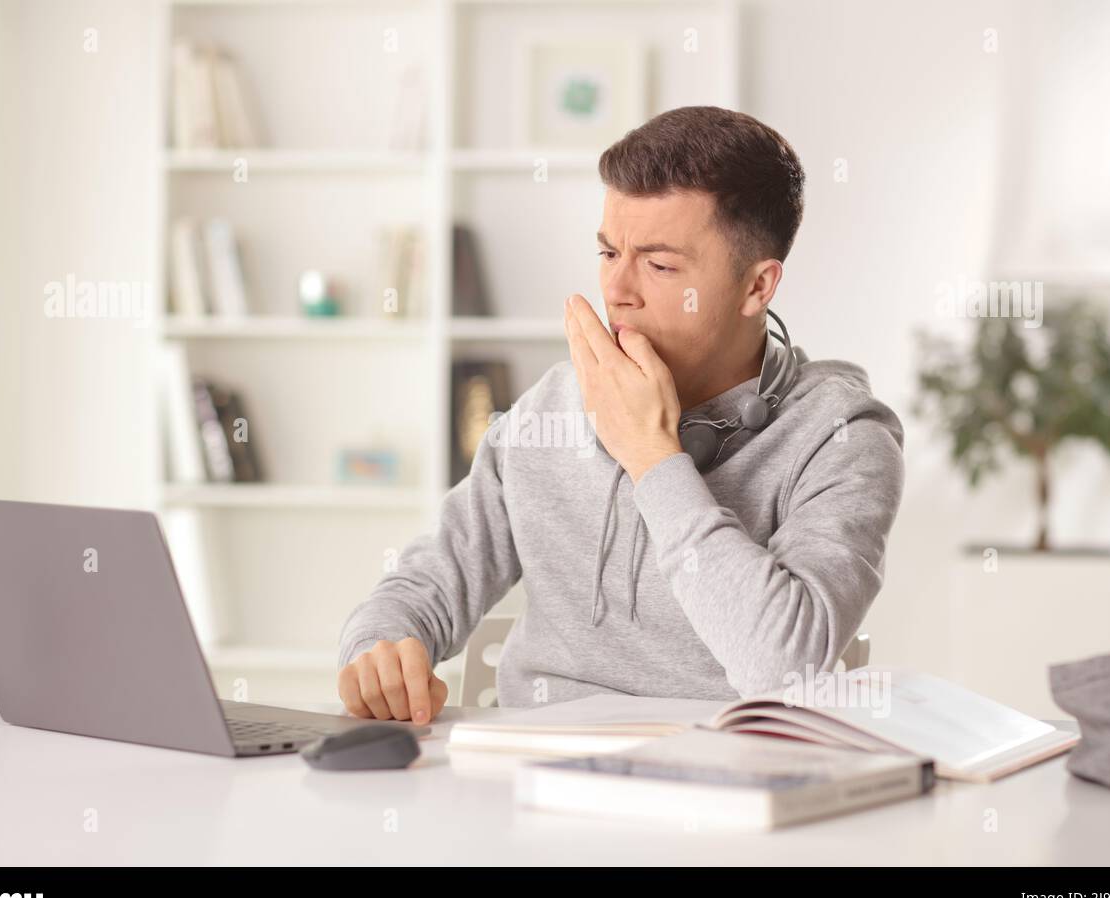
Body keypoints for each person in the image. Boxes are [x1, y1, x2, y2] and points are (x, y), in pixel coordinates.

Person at [336, 106, 905, 725]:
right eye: (609, 253)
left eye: (660, 266)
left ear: (757, 287)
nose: (617, 290)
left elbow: (782, 666)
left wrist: (652, 456)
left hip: (727, 784)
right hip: (533, 774)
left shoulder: (842, 436)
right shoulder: (553, 406)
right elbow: (425, 586)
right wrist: (377, 650)